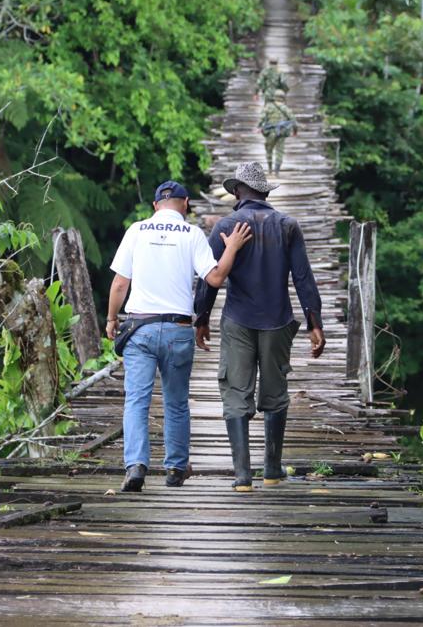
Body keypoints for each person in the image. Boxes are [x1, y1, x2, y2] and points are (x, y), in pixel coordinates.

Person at [106, 181, 252, 492]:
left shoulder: (136, 230)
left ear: (156, 205)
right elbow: (214, 278)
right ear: (185, 204)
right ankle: (174, 467)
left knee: (136, 401)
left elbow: (120, 283)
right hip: (178, 330)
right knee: (176, 402)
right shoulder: (193, 234)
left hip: (139, 327)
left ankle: (136, 466)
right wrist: (233, 248)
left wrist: (110, 319)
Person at [193, 162, 326, 492]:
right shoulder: (287, 226)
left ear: (237, 191)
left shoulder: (226, 225)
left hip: (238, 319)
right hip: (278, 320)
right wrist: (315, 322)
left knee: (235, 391)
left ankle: (242, 476)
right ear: (264, 192)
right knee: (275, 392)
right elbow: (303, 277)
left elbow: (209, 280)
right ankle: (271, 469)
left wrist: (202, 318)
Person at [259, 92, 297, 176]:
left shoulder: (268, 107)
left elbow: (261, 118)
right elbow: (293, 120)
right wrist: (295, 131)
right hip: (281, 132)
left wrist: (259, 127)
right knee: (279, 151)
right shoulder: (285, 108)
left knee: (269, 150)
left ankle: (269, 170)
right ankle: (277, 171)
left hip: (270, 132)